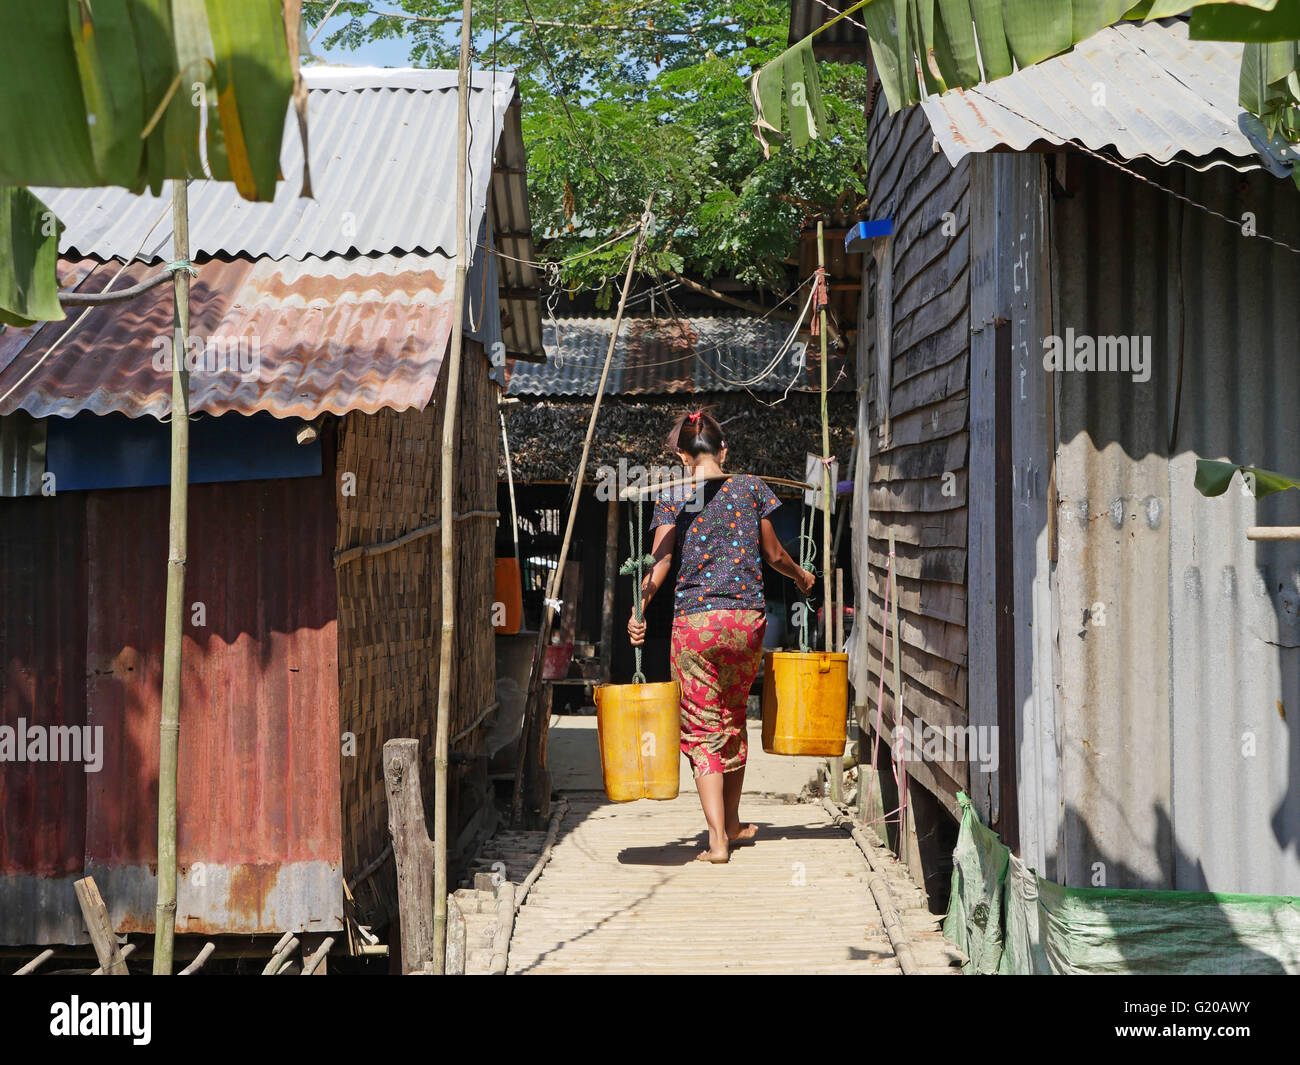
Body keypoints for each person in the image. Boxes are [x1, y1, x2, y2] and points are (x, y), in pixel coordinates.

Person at [628, 409, 816, 863]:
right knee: (733, 718)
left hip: (694, 626)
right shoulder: (751, 486)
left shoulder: (673, 494)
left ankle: (717, 839)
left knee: (702, 727)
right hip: (745, 623)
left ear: (681, 455)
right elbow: (773, 554)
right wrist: (801, 576)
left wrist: (640, 611)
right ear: (723, 450)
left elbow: (660, 565)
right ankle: (731, 823)